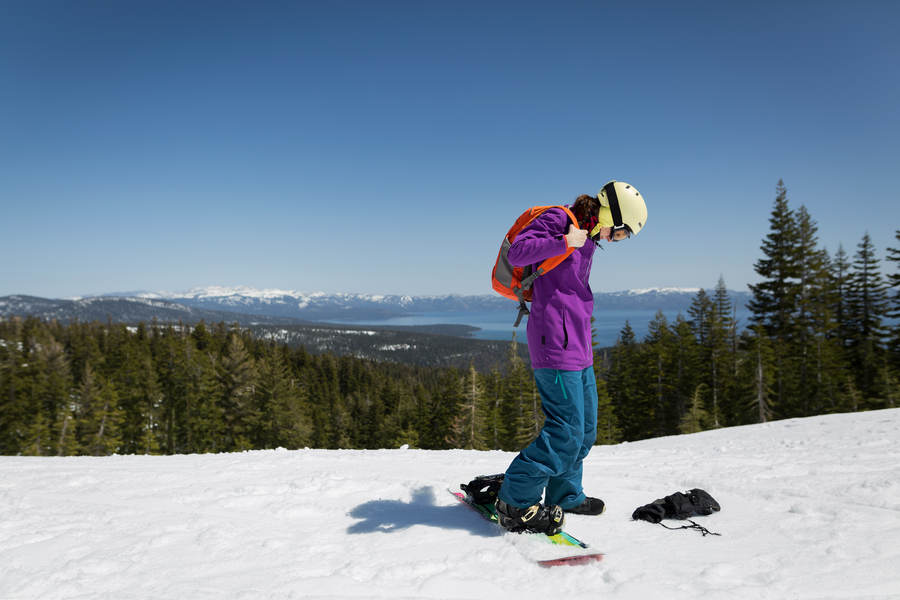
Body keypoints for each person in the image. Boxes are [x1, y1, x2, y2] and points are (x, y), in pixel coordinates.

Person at [495, 181, 648, 535]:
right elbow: (518, 253)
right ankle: (515, 502)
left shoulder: (589, 236)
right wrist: (564, 241)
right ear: (612, 213)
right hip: (553, 343)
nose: (617, 239)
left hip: (578, 345)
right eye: (622, 232)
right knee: (564, 431)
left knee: (585, 431)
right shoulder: (560, 220)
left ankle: (565, 494)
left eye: (623, 238)